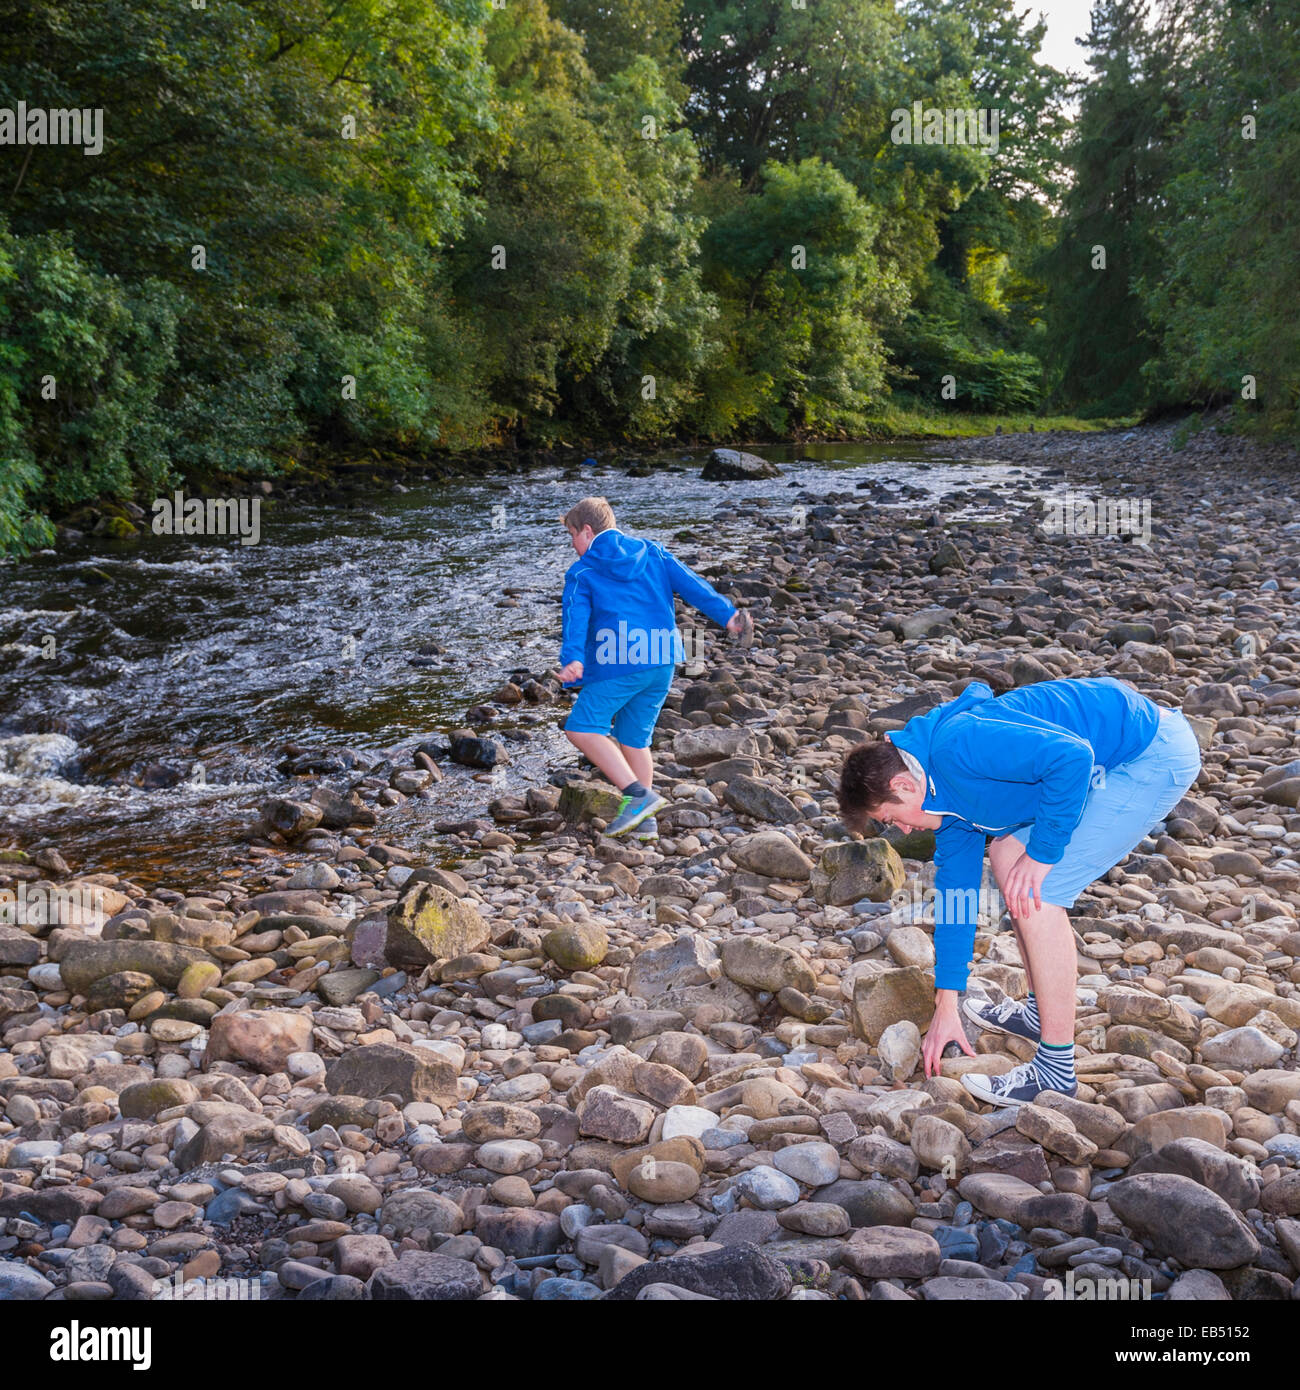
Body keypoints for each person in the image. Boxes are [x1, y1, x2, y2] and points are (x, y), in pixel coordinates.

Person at [836, 675, 1202, 1107]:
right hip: (1110, 750)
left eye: (891, 818)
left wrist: (1045, 854)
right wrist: (947, 1003)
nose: (900, 829)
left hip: (1148, 752)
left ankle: (1056, 1070)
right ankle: (1036, 1011)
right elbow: (957, 899)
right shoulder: (945, 804)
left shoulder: (958, 747)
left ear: (902, 786)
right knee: (1008, 853)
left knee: (1040, 891)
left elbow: (1072, 757)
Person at [554, 496, 751, 838]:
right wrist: (728, 615)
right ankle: (644, 823)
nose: (572, 544)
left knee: (582, 727)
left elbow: (575, 617)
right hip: (662, 658)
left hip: (619, 660)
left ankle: (637, 796)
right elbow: (693, 585)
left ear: (587, 530)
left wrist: (572, 657)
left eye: (572, 535)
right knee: (634, 737)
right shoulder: (652, 551)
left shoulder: (583, 572)